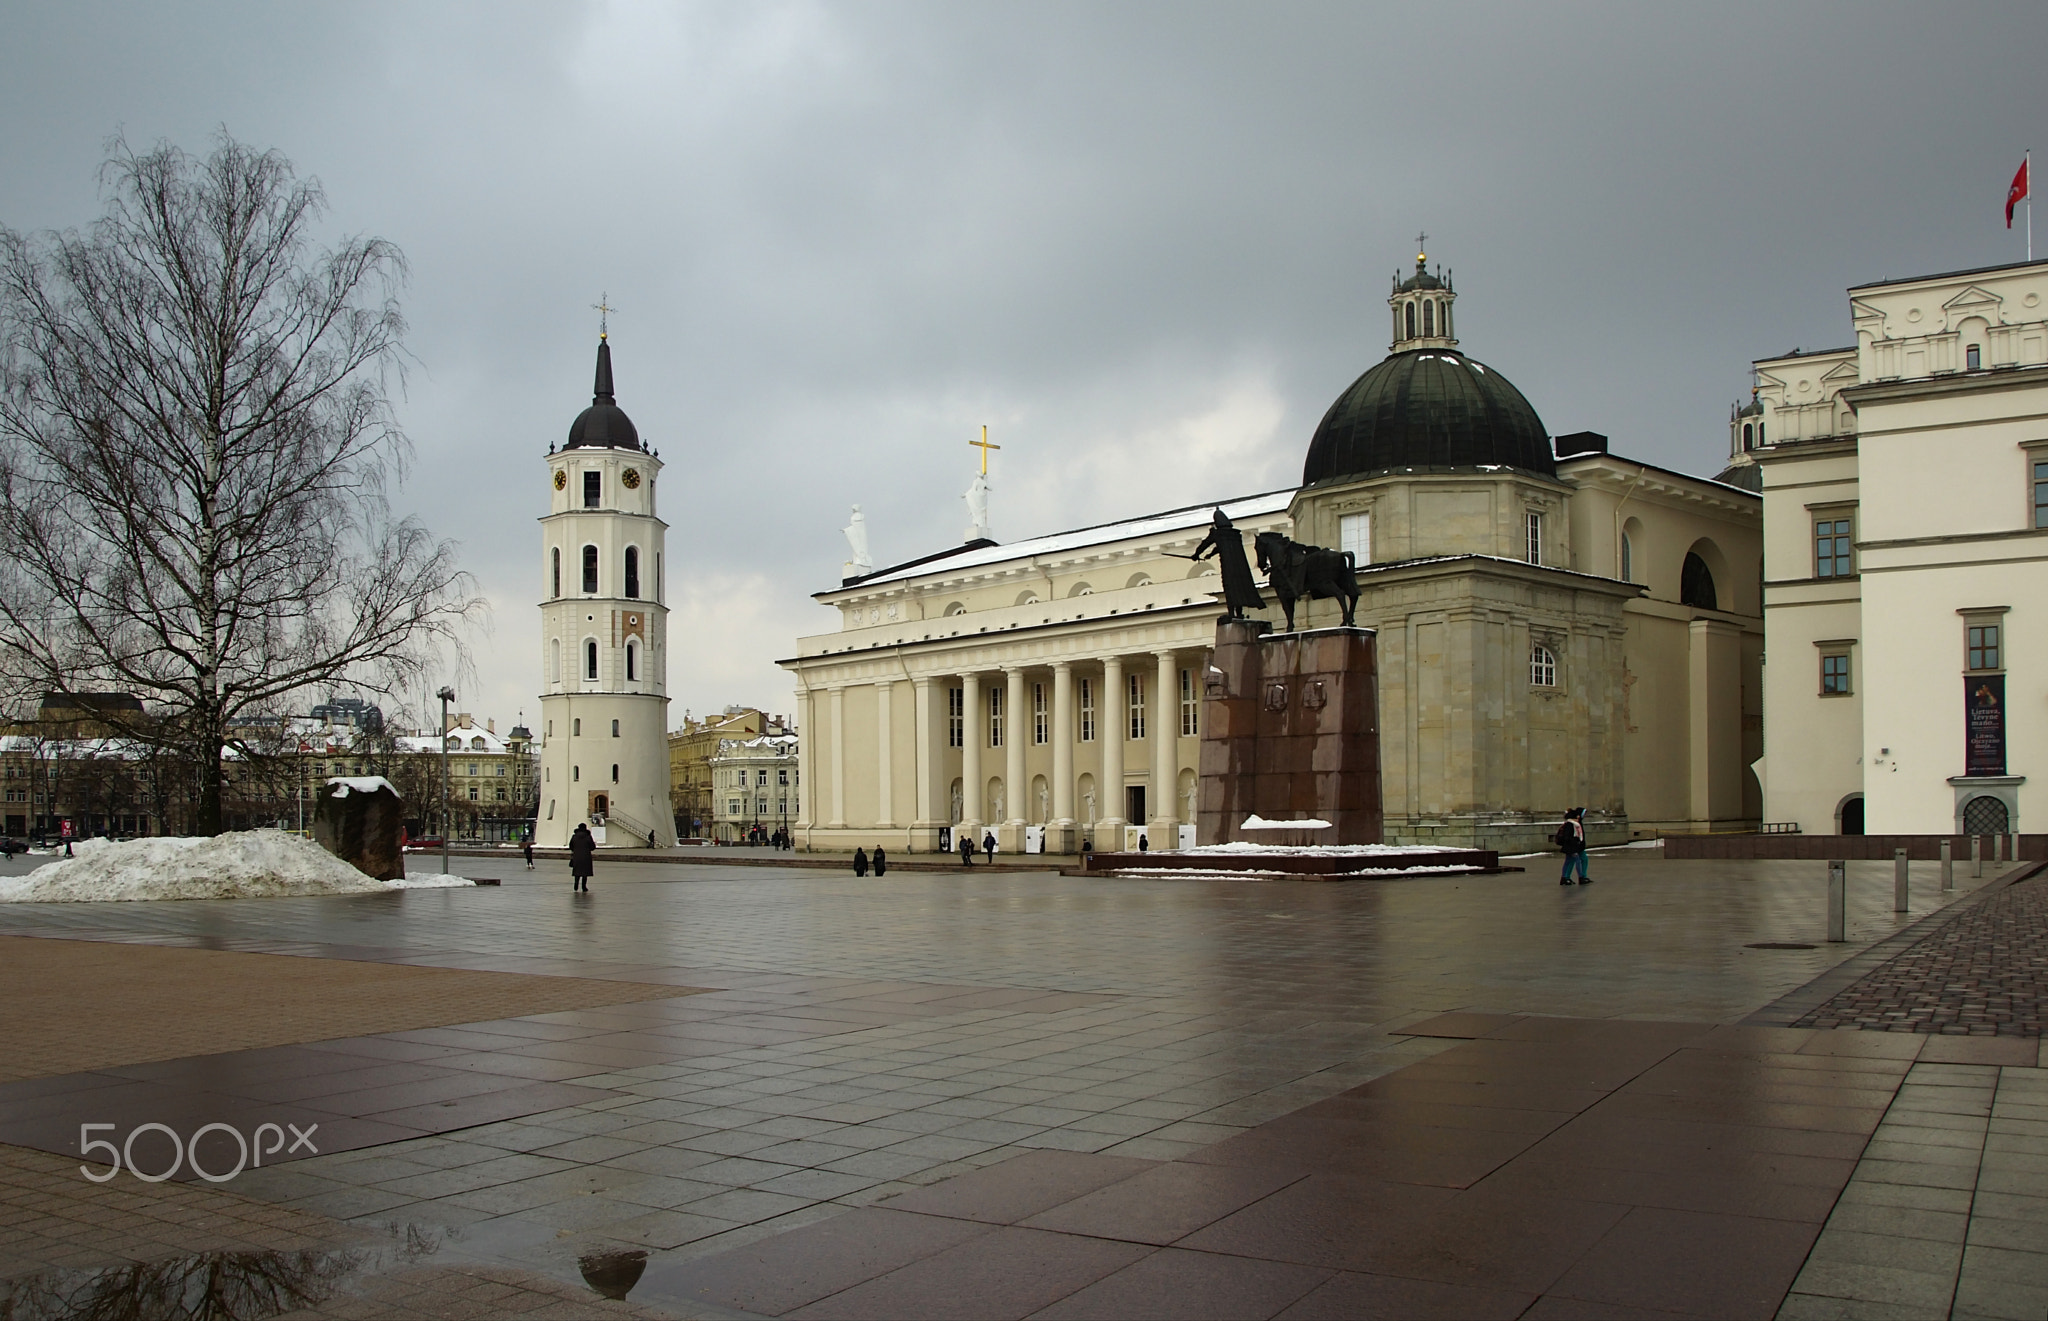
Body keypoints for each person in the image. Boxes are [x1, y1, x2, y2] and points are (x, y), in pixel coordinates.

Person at [1557, 808, 1589, 885]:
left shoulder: (1574, 824)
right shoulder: (1570, 824)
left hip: (1571, 847)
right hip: (1571, 847)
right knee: (1576, 861)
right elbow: (1568, 837)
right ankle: (1580, 877)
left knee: (1569, 861)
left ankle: (1565, 878)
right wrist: (1575, 841)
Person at [570, 822, 596, 892]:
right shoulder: (588, 836)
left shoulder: (574, 836)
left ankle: (576, 884)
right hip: (586, 857)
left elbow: (571, 846)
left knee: (577, 871)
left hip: (576, 856)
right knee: (585, 872)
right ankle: (584, 886)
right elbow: (592, 847)